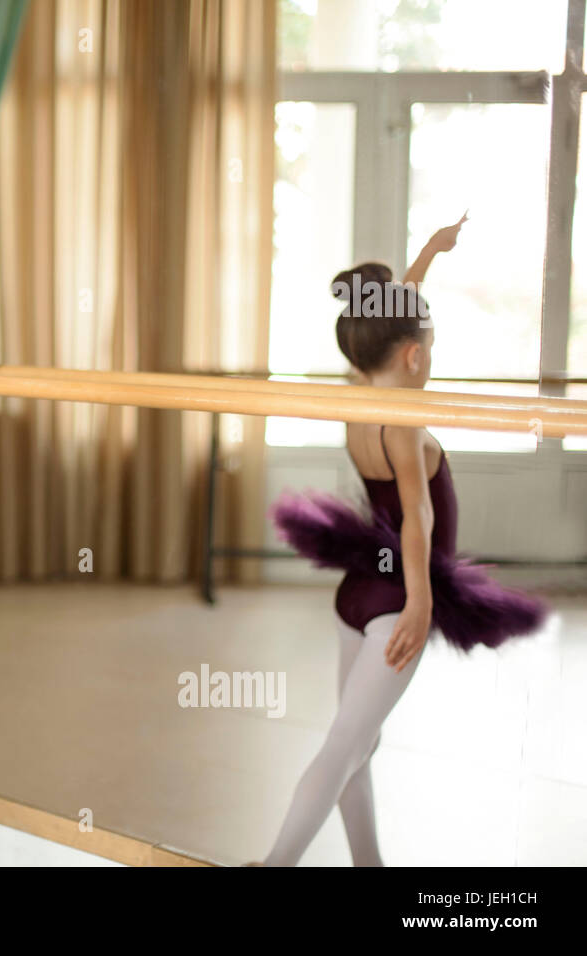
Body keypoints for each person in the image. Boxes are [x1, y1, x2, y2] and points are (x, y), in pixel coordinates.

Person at [248, 234, 547, 867]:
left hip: (356, 591)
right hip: (394, 599)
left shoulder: (358, 393)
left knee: (358, 745)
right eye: (431, 345)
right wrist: (420, 602)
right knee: (344, 747)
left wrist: (430, 255)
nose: (432, 354)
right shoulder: (402, 419)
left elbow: (381, 316)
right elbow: (419, 517)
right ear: (412, 356)